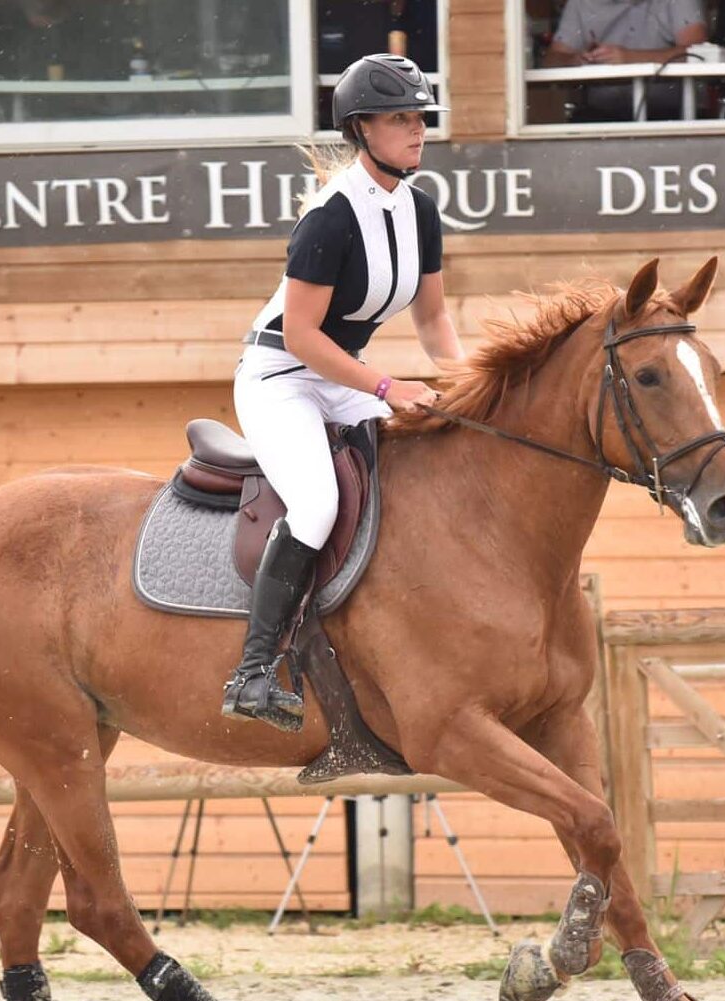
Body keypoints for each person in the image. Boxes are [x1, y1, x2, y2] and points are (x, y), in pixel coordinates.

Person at [221, 53, 463, 733]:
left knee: (427, 456)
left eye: (420, 118)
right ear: (362, 130)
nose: (417, 131)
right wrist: (387, 386)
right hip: (279, 377)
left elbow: (432, 318)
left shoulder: (419, 209)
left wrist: (471, 383)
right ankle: (252, 672)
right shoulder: (328, 219)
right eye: (399, 119)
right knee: (318, 500)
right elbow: (300, 336)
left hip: (340, 376)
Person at [548, 0, 708, 65]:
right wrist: (576, 60)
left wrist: (630, 58)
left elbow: (700, 54)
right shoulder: (581, 2)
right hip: (600, 118)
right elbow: (552, 60)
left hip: (674, 116)